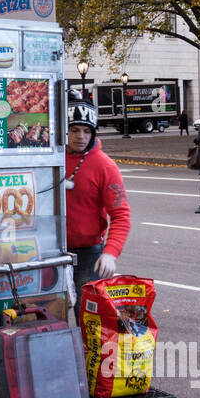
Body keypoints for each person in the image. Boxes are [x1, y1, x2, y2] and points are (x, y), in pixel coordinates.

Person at [64, 100, 131, 292]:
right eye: (74, 130)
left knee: (86, 313)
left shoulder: (105, 166)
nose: (80, 137)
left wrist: (110, 253)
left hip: (88, 253)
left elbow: (121, 215)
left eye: (87, 131)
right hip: (49, 250)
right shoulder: (51, 158)